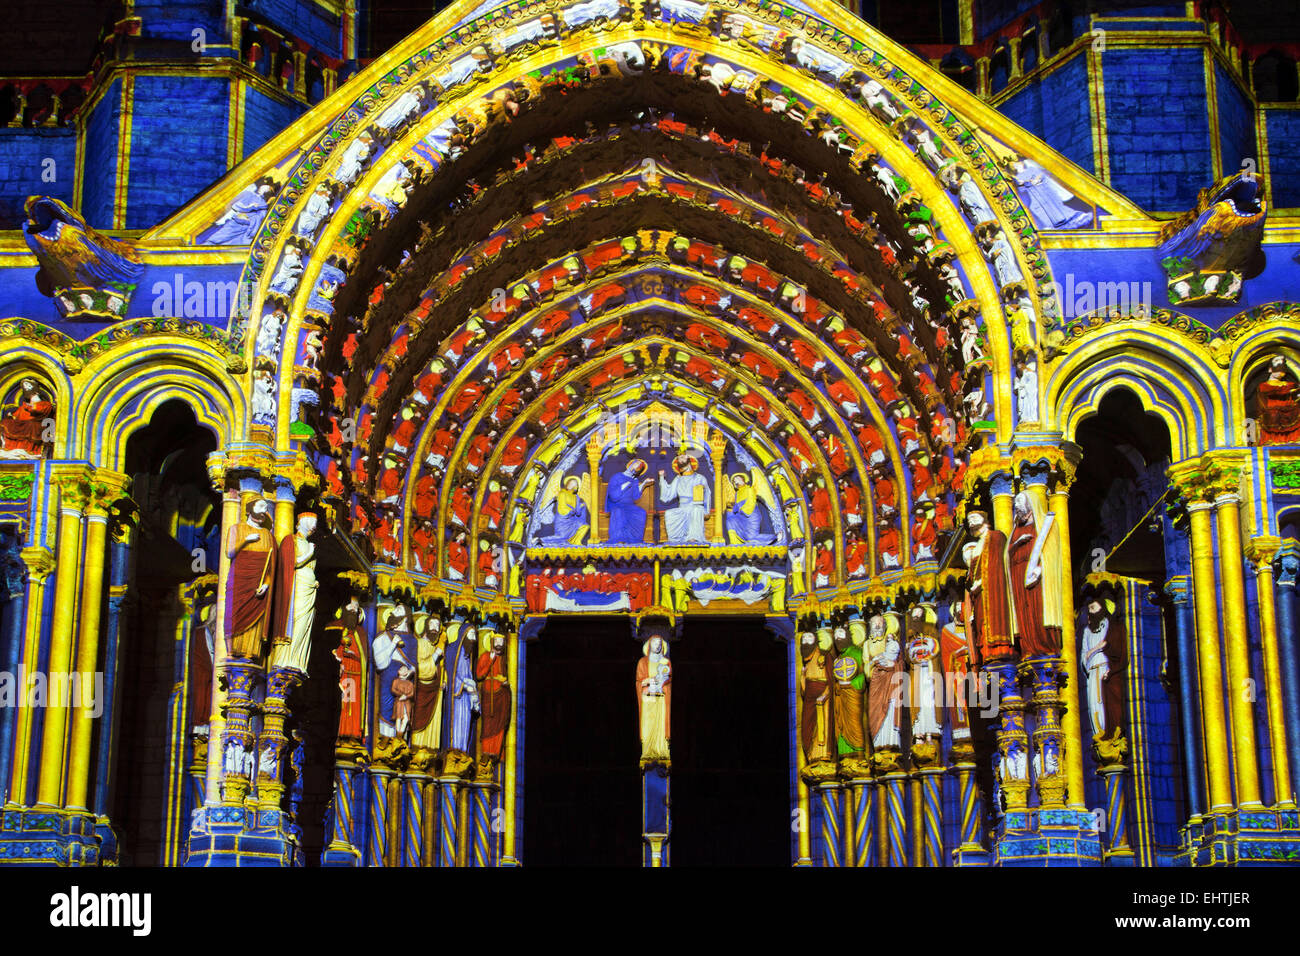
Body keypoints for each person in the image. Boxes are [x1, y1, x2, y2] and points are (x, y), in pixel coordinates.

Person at [224, 497, 277, 662]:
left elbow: (271, 567)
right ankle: (232, 651)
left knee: (256, 617)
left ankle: (250, 652)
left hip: (258, 585)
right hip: (239, 580)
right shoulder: (236, 529)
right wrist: (245, 540)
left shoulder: (268, 536)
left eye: (265, 508)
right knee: (233, 613)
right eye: (260, 506)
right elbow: (229, 553)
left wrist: (267, 584)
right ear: (249, 509)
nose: (263, 511)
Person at [269, 512, 318, 674]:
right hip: (297, 590)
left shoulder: (307, 543)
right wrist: (309, 553)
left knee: (303, 626)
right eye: (312, 522)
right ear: (302, 521)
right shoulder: (291, 540)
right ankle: (285, 659)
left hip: (309, 591)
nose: (314, 526)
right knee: (295, 622)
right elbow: (290, 563)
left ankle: (297, 660)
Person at [658, 454, 711, 543]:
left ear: (689, 460)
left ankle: (694, 538)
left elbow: (707, 495)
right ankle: (676, 540)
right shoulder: (678, 479)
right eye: (678, 459)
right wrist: (662, 478)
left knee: (696, 510)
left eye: (682, 457)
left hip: (695, 506)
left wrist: (707, 510)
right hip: (682, 508)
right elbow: (668, 495)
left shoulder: (699, 478)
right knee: (669, 513)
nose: (680, 459)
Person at [637, 634, 672, 766]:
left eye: (659, 643)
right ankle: (647, 751)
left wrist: (662, 683)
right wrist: (647, 681)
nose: (657, 646)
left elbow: (668, 680)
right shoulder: (642, 662)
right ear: (649, 645)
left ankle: (662, 751)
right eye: (654, 643)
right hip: (648, 701)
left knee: (660, 726)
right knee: (648, 725)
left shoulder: (666, 662)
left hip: (661, 700)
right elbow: (639, 681)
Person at [0, 379, 53, 458]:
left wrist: (31, 407)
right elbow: (17, 415)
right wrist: (11, 415)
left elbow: (39, 410)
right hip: (23, 423)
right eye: (25, 387)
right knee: (6, 422)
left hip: (36, 424)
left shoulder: (45, 404)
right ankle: (9, 447)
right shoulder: (24, 407)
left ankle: (28, 449)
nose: (27, 388)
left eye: (29, 386)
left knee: (30, 425)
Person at [606, 458, 652, 544]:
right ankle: (618, 538)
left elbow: (635, 496)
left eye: (640, 467)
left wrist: (644, 483)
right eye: (636, 464)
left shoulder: (634, 480)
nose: (637, 467)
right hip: (618, 504)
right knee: (619, 512)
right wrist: (624, 486)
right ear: (631, 464)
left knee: (641, 512)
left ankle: (635, 539)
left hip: (630, 505)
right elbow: (613, 495)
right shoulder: (617, 476)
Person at [1256, 356, 1300, 445]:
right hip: (1272, 410)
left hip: (1290, 409)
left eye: (1282, 371)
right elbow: (1273, 391)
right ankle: (1273, 440)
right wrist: (1288, 389)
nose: (1280, 373)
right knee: (1273, 414)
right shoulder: (1264, 385)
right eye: (1277, 370)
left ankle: (1292, 439)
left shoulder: (1289, 384)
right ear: (1270, 370)